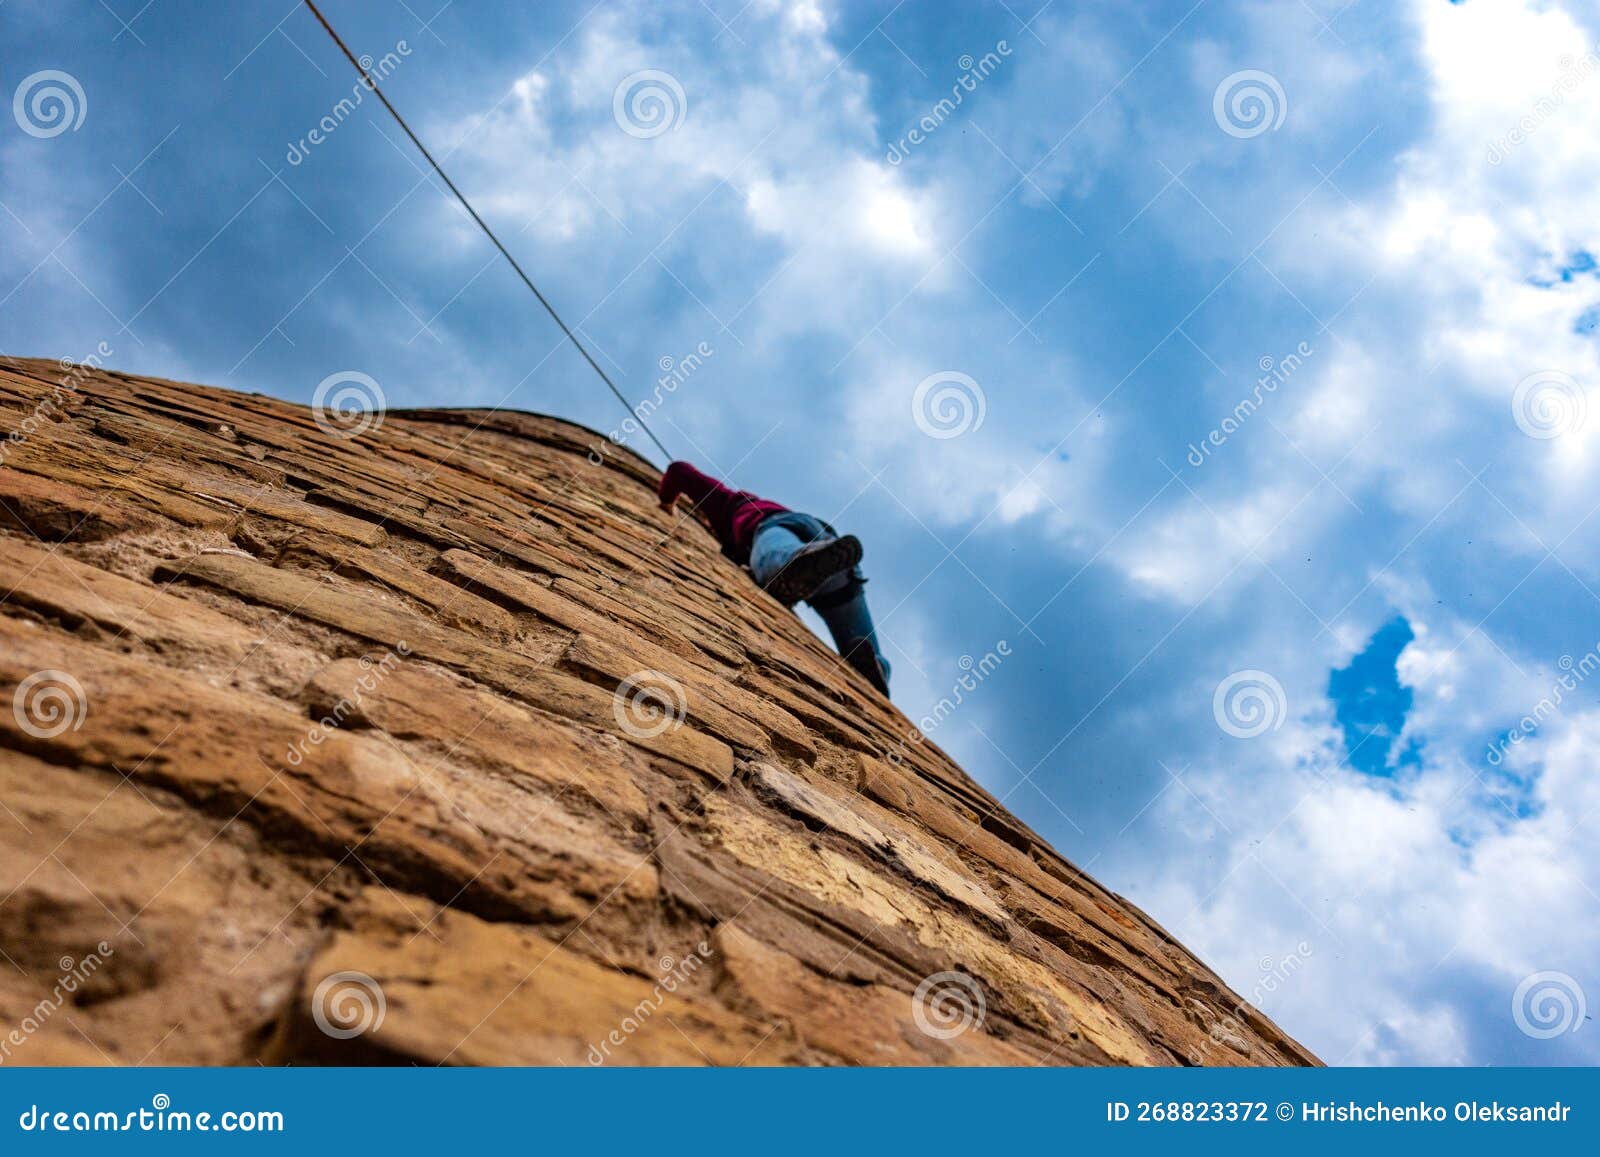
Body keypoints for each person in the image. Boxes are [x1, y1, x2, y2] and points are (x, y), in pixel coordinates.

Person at [657, 460, 891, 695]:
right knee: (862, 643)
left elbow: (678, 471)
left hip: (772, 525)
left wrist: (667, 503)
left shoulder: (726, 503)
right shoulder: (735, 541)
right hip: (822, 537)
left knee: (779, 562)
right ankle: (877, 670)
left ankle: (794, 562)